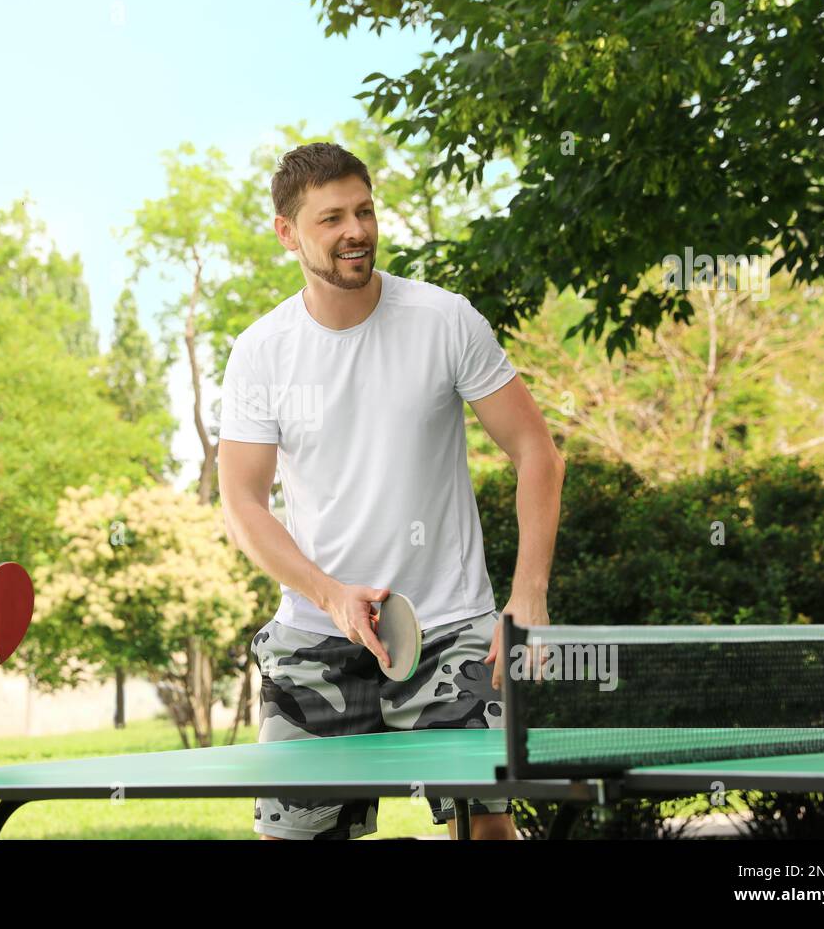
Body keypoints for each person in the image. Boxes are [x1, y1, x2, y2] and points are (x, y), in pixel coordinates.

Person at [218, 142, 564, 840]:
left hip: (450, 627)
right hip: (317, 632)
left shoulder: (444, 320)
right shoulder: (261, 351)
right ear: (287, 233)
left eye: (365, 211)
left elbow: (537, 453)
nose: (356, 231)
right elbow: (244, 506)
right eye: (332, 218)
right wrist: (330, 595)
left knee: (487, 830)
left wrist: (528, 597)